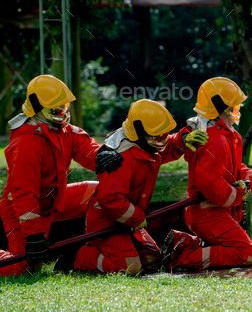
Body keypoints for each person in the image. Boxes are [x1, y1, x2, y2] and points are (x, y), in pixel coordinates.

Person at [62, 99, 208, 275]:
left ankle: (109, 250)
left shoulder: (148, 146)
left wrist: (183, 139)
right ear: (139, 132)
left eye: (165, 134)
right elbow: (110, 199)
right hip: (106, 221)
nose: (162, 140)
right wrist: (137, 218)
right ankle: (79, 256)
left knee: (153, 261)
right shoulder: (121, 158)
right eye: (157, 136)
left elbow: (167, 146)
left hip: (128, 219)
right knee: (129, 267)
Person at [0, 75, 123, 276]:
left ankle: (93, 246)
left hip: (56, 199)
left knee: (102, 192)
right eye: (56, 109)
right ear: (37, 108)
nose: (62, 113)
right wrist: (33, 234)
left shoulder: (66, 131)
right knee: (26, 271)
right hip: (22, 210)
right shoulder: (25, 145)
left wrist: (103, 155)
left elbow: (87, 149)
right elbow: (23, 194)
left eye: (64, 107)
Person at [161, 77, 252, 271]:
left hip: (213, 212)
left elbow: (233, 170)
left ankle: (190, 245)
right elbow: (209, 183)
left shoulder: (225, 135)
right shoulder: (217, 140)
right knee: (247, 254)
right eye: (235, 106)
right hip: (207, 213)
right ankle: (184, 256)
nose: (237, 111)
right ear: (223, 108)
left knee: (240, 252)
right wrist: (237, 194)